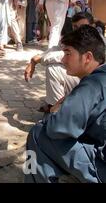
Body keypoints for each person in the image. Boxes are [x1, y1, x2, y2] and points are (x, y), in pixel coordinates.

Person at [25, 25, 106, 183]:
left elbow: (58, 129)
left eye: (68, 53)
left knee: (37, 133)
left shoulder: (92, 85)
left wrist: (55, 111)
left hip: (101, 167)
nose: (63, 60)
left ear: (88, 57)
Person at [24, 12, 96, 113]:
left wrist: (37, 59)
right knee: (55, 67)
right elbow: (56, 49)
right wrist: (34, 60)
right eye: (75, 27)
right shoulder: (74, 37)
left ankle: (60, 113)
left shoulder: (95, 41)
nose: (79, 31)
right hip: (82, 81)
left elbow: (62, 55)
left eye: (83, 27)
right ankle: (54, 107)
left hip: (94, 86)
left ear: (92, 26)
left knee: (54, 69)